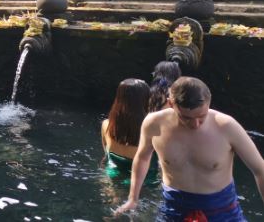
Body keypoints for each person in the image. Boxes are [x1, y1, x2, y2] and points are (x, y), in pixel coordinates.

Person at [117, 77, 264, 220]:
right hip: (173, 208)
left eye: (202, 116)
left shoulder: (227, 127)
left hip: (221, 210)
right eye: (186, 118)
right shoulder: (154, 123)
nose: (195, 124)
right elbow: (142, 157)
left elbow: (259, 169)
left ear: (209, 102)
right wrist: (132, 199)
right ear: (170, 104)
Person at [101, 78, 150, 176]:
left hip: (111, 178)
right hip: (142, 184)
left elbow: (106, 157)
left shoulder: (106, 125)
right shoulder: (151, 132)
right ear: (145, 101)